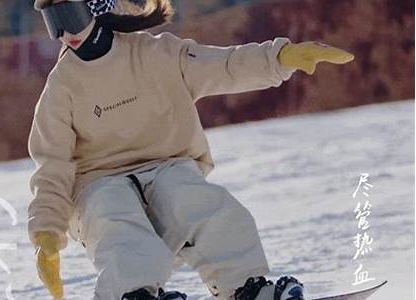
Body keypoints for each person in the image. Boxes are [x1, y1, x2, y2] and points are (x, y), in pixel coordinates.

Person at [27, 0, 354, 299]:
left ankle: (247, 287)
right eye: (53, 22)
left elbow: (224, 65)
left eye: (70, 16)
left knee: (200, 204)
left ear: (98, 11)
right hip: (97, 183)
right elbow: (52, 166)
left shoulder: (157, 55)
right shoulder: (61, 87)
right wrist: (46, 230)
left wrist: (281, 57)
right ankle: (133, 293)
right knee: (116, 217)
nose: (65, 33)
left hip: (167, 165)